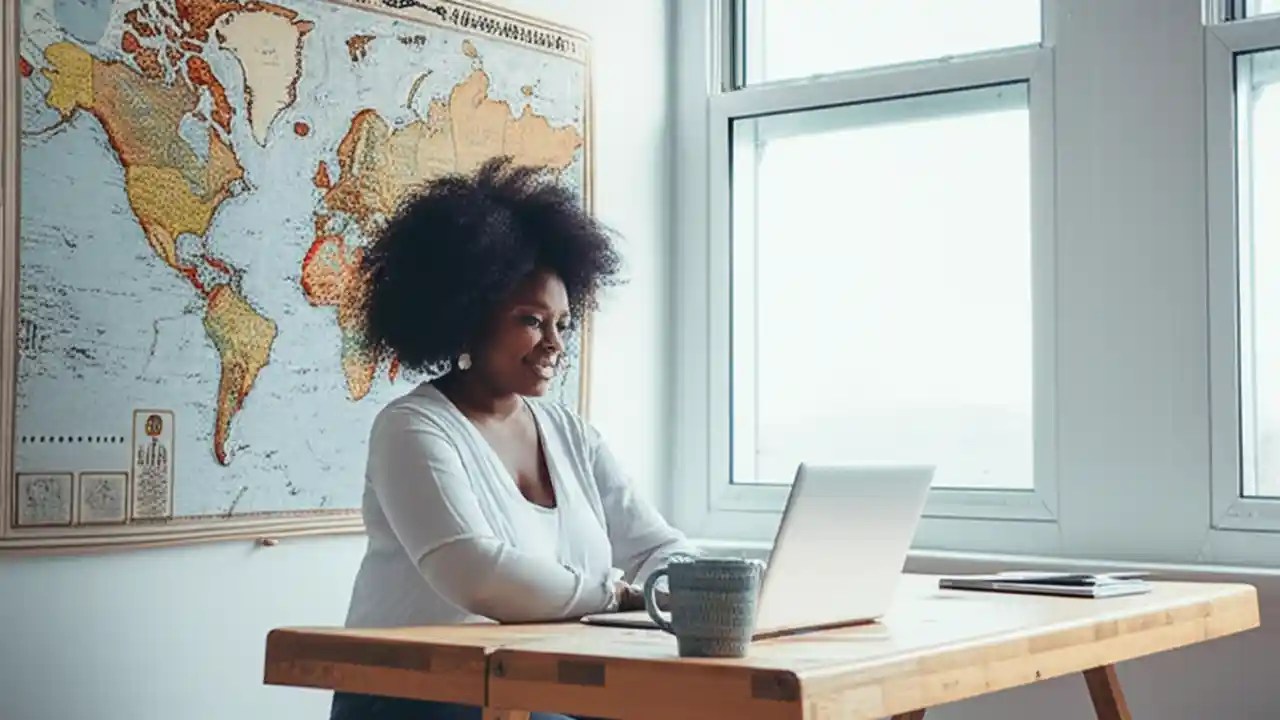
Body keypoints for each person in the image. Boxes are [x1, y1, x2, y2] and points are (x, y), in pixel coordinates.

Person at [331, 157, 698, 720]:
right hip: (413, 693)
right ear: (467, 316)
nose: (554, 343)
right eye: (531, 320)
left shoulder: (571, 434)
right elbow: (476, 573)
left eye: (562, 324)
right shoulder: (412, 428)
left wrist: (710, 587)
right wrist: (617, 595)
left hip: (536, 684)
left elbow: (656, 548)